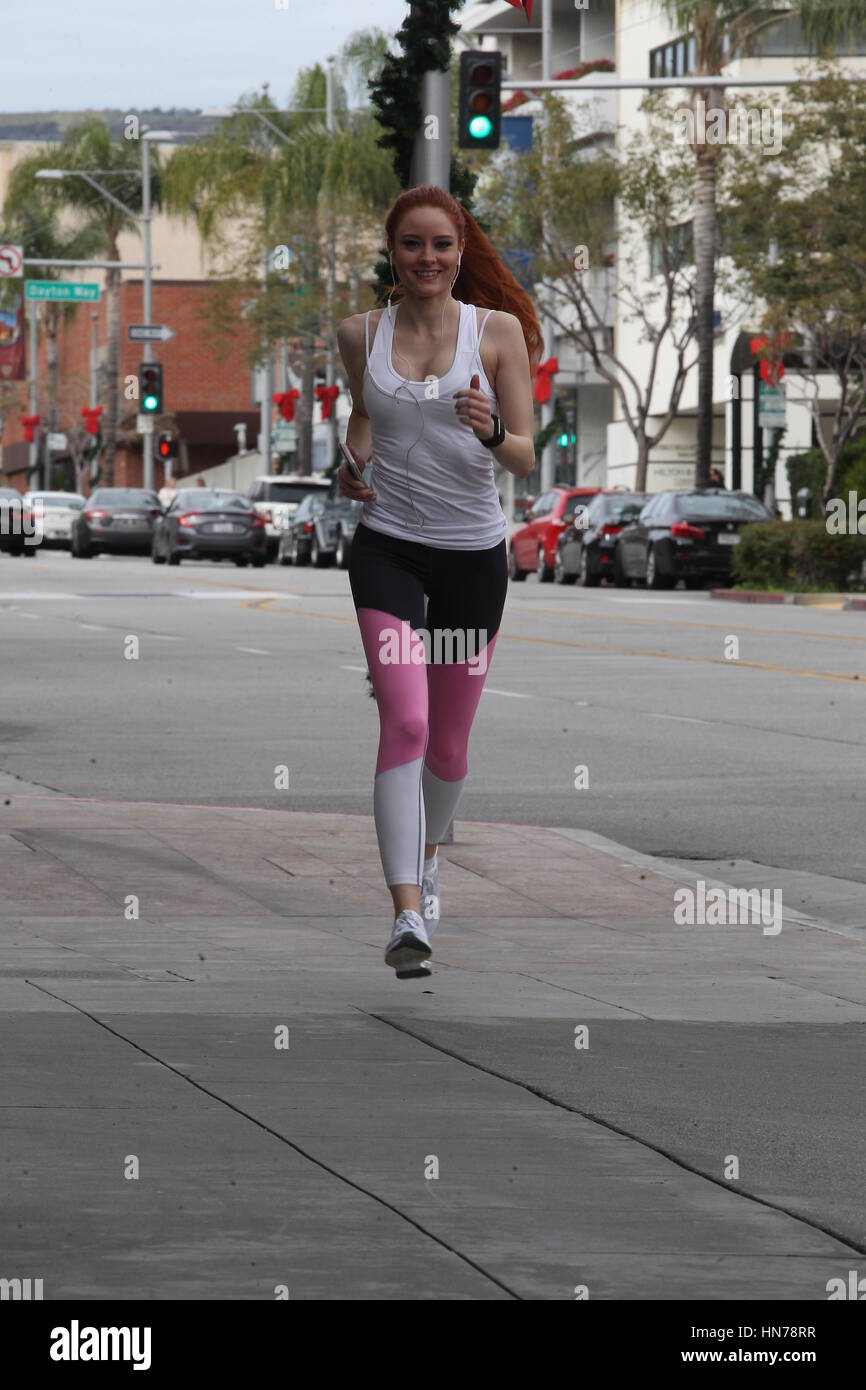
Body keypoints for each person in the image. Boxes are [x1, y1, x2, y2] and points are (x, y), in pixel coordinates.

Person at [336, 185, 542, 980]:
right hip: (388, 546)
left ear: (462, 251)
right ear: (392, 251)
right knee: (407, 721)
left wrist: (492, 427)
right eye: (413, 244)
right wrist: (352, 465)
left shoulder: (497, 335)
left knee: (449, 746)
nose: (428, 258)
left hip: (470, 557)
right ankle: (404, 914)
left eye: (442, 245)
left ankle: (427, 864)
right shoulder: (360, 333)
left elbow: (525, 453)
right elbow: (364, 413)